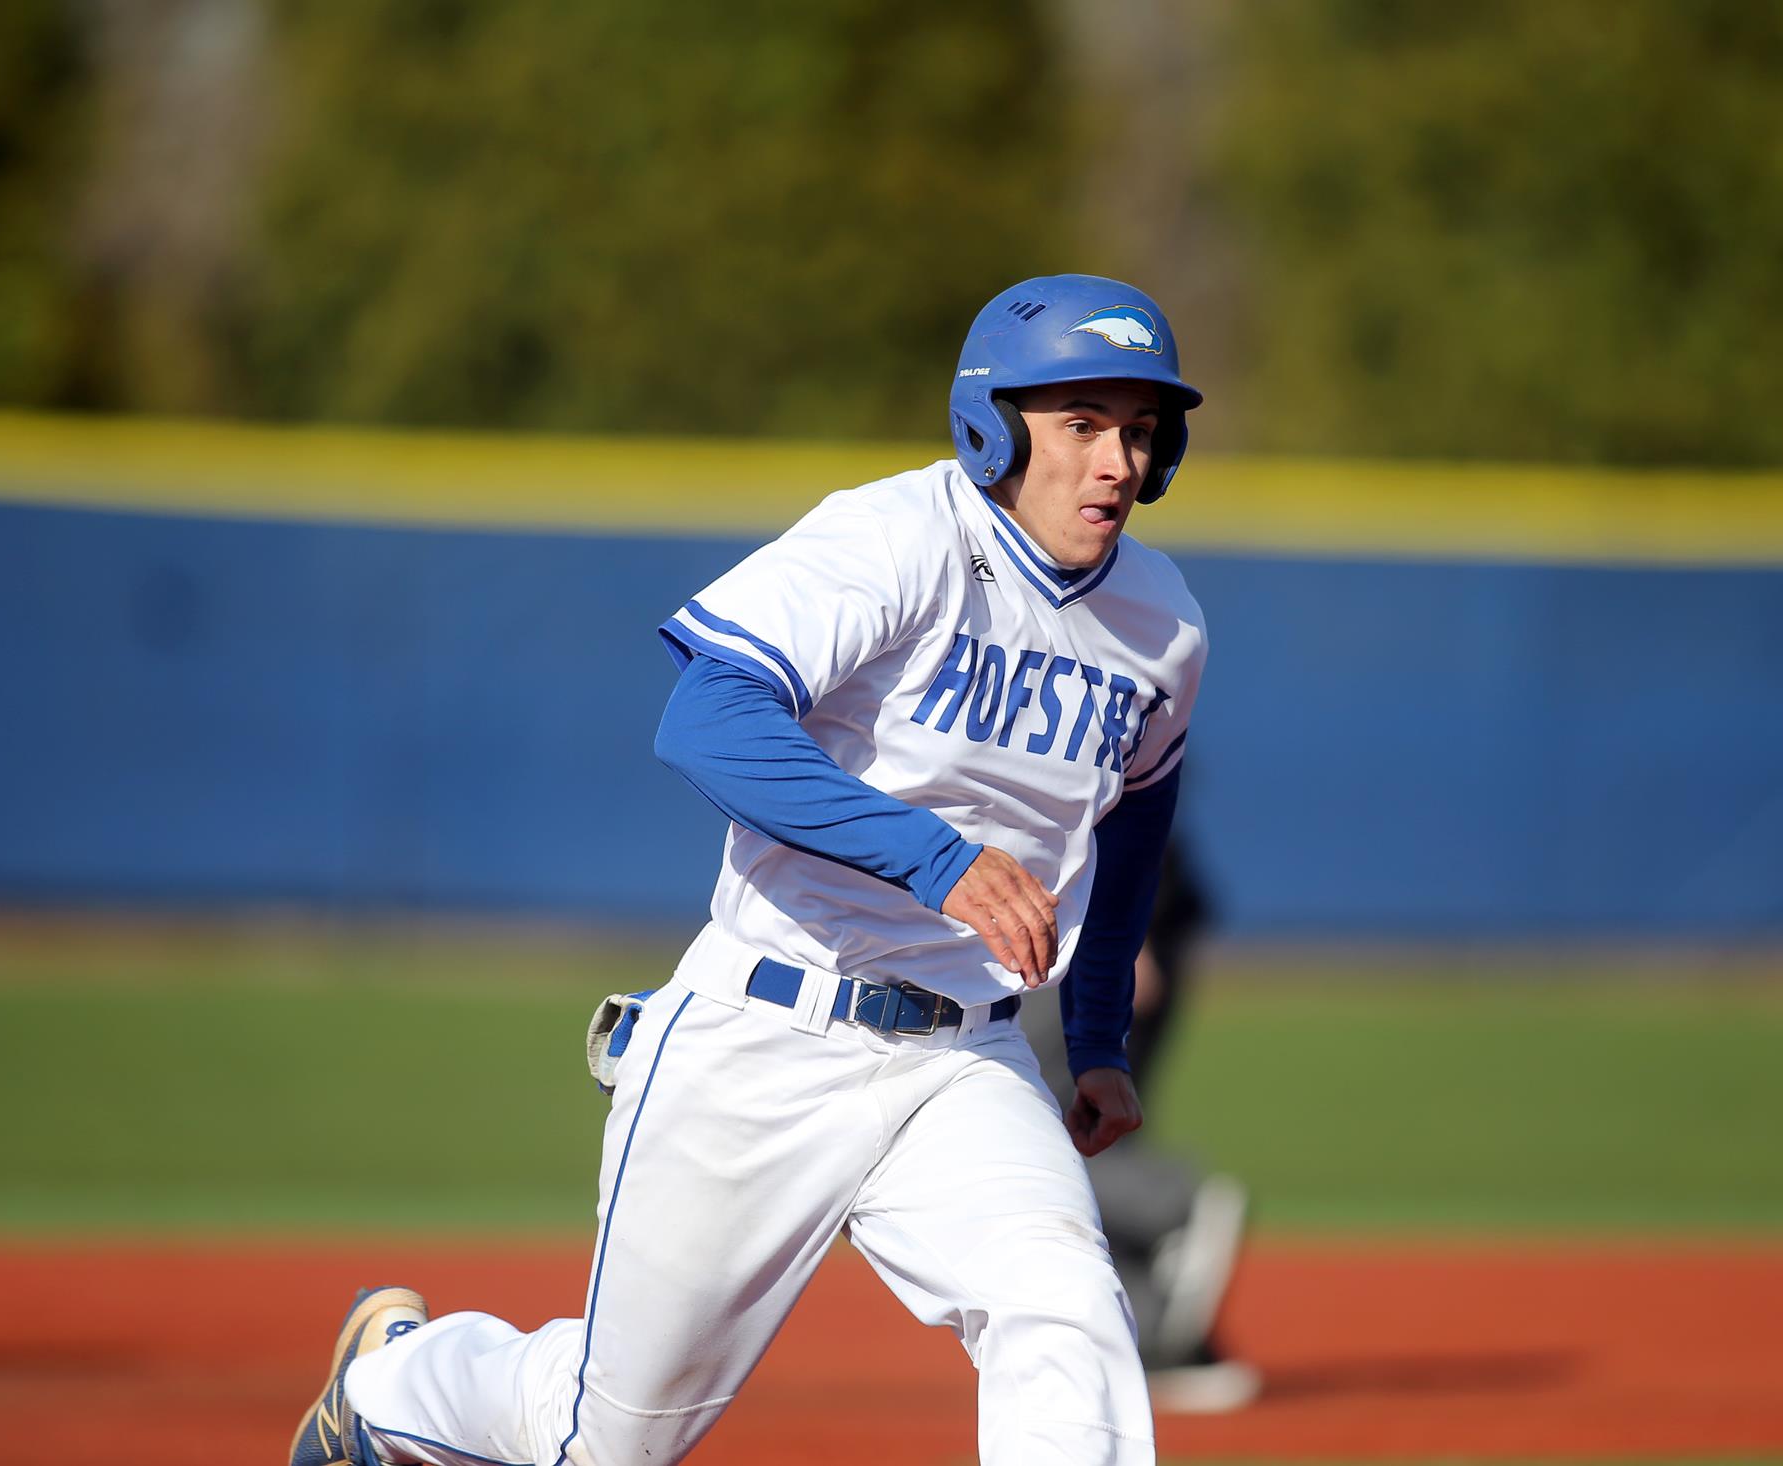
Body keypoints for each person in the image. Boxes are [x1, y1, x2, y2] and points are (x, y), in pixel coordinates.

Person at [289, 273, 1209, 1466]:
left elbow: (1134, 815)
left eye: (1140, 428)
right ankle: (388, 1382)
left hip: (965, 1060)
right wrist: (935, 858)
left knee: (1067, 1312)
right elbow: (709, 719)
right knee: (602, 1440)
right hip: (769, 1029)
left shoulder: (1161, 622)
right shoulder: (897, 536)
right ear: (994, 422)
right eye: (1080, 422)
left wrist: (1095, 1036)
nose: (1115, 462)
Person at [1020, 832, 1260, 1415]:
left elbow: (1102, 803)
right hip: (1090, 937)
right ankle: (1149, 1338)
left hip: (1084, 945)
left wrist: (1123, 934)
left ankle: (1173, 1201)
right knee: (1087, 1130)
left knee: (1036, 1138)